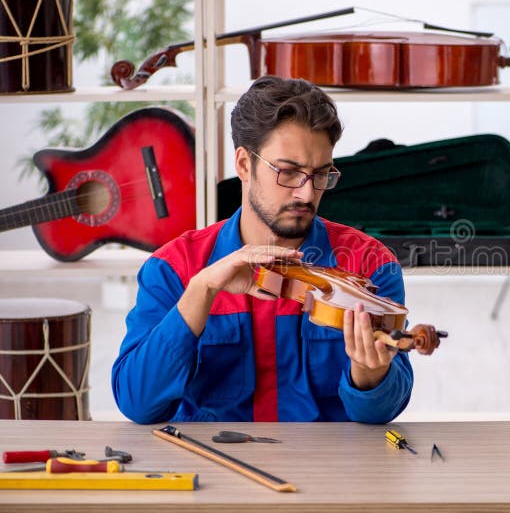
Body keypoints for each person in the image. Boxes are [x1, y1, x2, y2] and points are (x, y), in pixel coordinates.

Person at [112, 76, 412, 424]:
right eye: (287, 172)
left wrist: (368, 373)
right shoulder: (173, 268)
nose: (306, 194)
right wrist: (201, 291)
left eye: (320, 175)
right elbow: (137, 403)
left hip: (331, 469)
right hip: (215, 469)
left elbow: (382, 414)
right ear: (243, 165)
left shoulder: (370, 266)